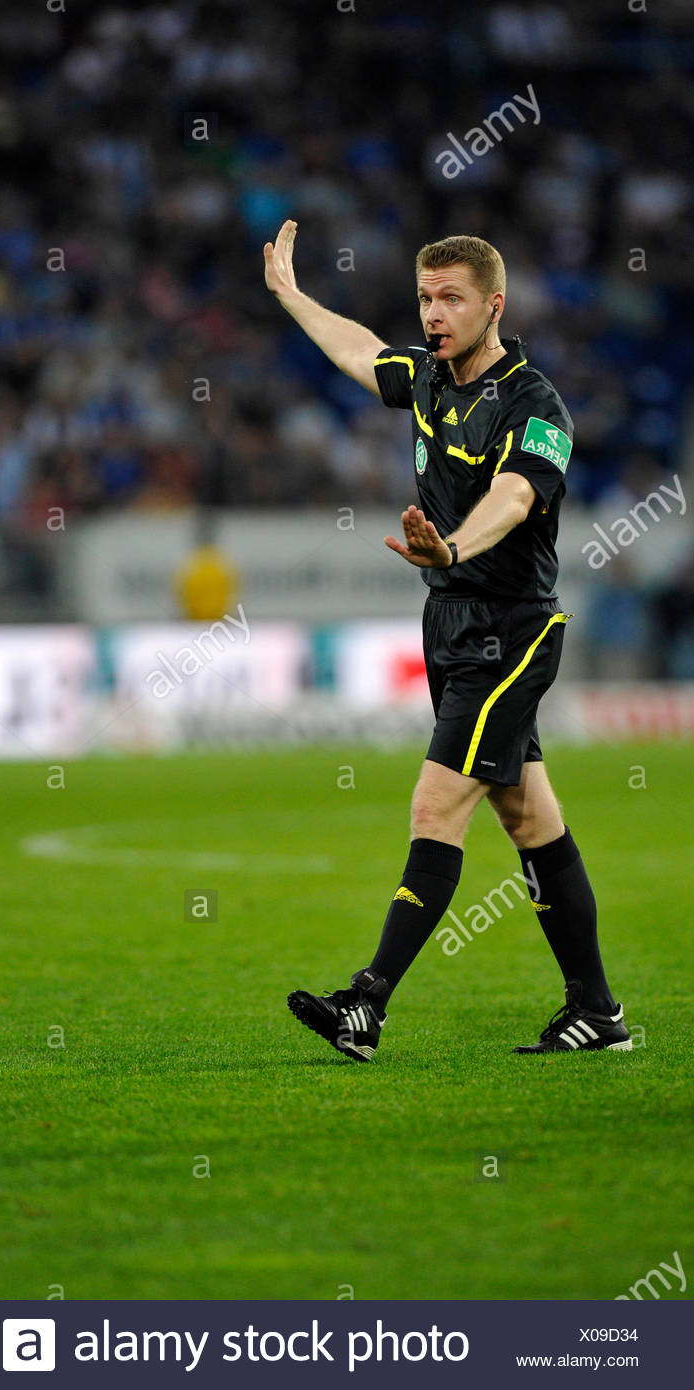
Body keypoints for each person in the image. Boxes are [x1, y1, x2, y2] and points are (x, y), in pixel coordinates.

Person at [264, 220, 630, 1059]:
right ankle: (596, 1010)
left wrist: (455, 545)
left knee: (435, 805)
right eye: (425, 298)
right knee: (528, 816)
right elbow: (360, 353)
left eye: (450, 299)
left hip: (512, 630)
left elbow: (512, 497)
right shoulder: (427, 379)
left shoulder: (535, 404)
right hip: (451, 621)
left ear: (492, 306)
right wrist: (293, 296)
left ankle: (366, 1003)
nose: (433, 314)